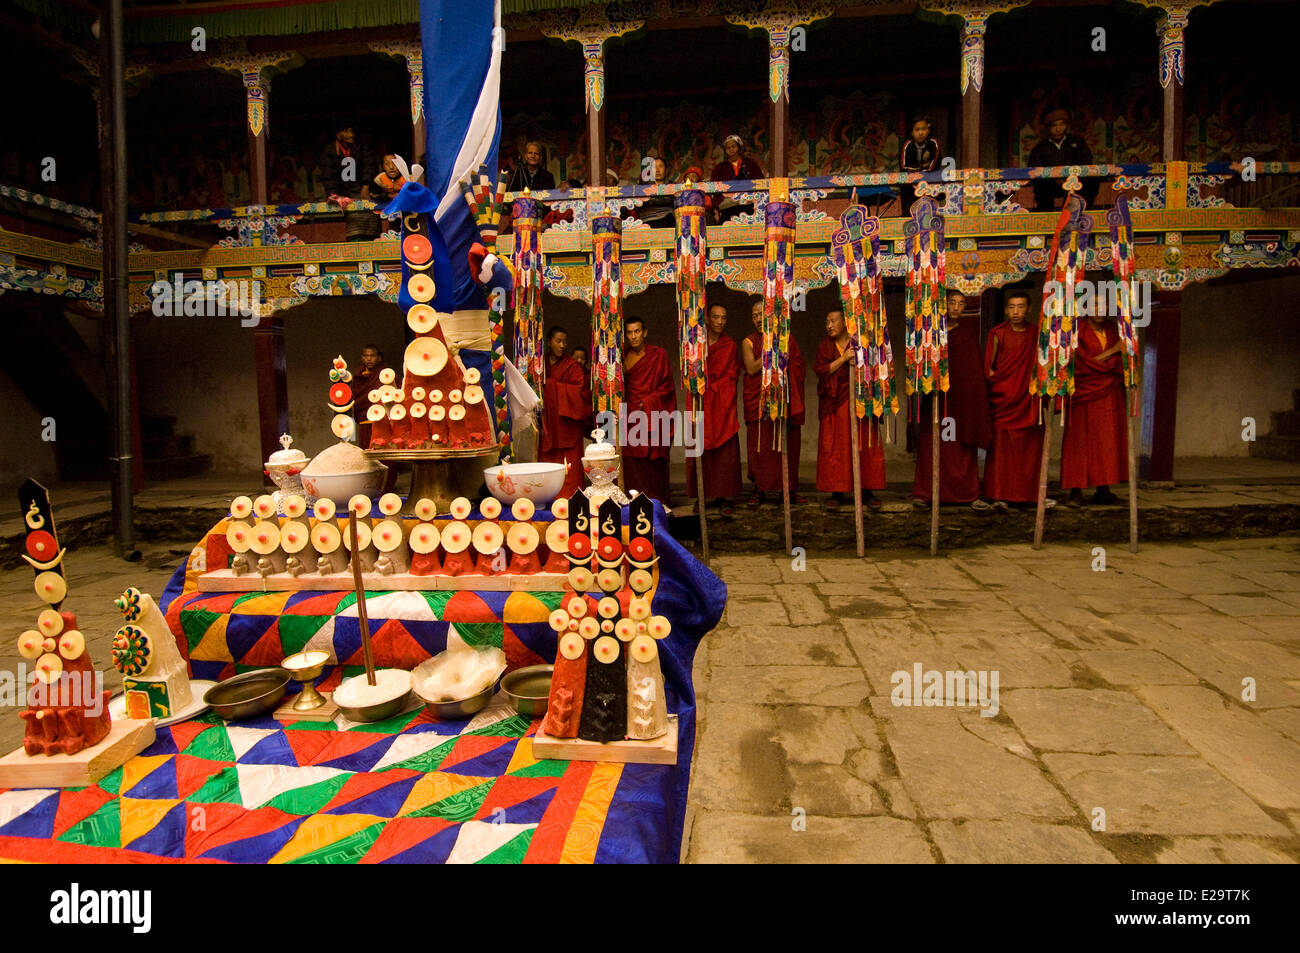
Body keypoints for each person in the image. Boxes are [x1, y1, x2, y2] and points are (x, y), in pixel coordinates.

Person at [911, 290, 993, 509]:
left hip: (961, 401)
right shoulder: (931, 332)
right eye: (952, 303)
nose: (956, 307)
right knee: (933, 445)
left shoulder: (967, 334)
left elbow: (972, 371)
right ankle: (926, 493)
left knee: (958, 446)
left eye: (961, 303)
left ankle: (966, 493)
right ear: (943, 305)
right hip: (936, 399)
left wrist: (972, 401)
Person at [984, 289, 1050, 509]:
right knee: (1002, 450)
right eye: (1011, 307)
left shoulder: (1036, 334)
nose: (1015, 312)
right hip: (1004, 400)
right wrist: (1003, 388)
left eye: (1020, 307)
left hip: (1028, 399)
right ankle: (999, 494)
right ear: (1005, 310)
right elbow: (990, 368)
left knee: (1029, 449)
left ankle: (1029, 494)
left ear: (1029, 309)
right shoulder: (997, 333)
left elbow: (1043, 364)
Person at [815, 309, 886, 510]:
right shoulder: (825, 347)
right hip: (836, 405)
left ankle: (867, 491)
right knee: (837, 447)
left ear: (845, 322)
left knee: (865, 445)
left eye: (833, 321)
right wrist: (844, 358)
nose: (829, 325)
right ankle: (837, 492)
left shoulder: (861, 342)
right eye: (826, 321)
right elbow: (821, 370)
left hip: (861, 402)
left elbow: (876, 367)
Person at [742, 296, 806, 506]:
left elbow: (798, 367)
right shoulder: (749, 341)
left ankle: (788, 488)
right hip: (759, 402)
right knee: (760, 447)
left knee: (787, 445)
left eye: (762, 314)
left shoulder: (787, 339)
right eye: (754, 316)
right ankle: (760, 489)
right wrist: (771, 355)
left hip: (783, 400)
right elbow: (751, 368)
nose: (758, 319)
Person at [1061, 314, 1128, 506]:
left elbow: (1122, 358)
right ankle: (1075, 491)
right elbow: (1079, 364)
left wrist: (1117, 355)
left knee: (1106, 441)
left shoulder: (1113, 329)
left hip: (1109, 393)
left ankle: (1103, 488)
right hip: (1083, 392)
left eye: (1103, 306)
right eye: (1094, 305)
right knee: (1078, 442)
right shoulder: (1076, 330)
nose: (1099, 310)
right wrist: (1113, 351)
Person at [685, 304, 742, 513]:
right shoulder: (695, 345)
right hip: (699, 402)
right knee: (699, 447)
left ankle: (724, 497)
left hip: (721, 403)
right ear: (707, 319)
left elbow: (732, 375)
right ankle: (702, 496)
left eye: (724, 318)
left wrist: (713, 389)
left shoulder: (730, 345)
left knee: (724, 453)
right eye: (716, 317)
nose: (720, 322)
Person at [622, 316, 677, 505]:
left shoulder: (658, 355)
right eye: (629, 332)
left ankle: (657, 501)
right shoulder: (622, 356)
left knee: (653, 461)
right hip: (629, 415)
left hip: (652, 414)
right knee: (632, 461)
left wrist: (647, 402)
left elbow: (667, 387)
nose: (634, 336)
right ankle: (633, 501)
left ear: (644, 333)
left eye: (637, 331)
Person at [539, 326, 591, 498]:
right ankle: (548, 498)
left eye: (564, 342)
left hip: (567, 426)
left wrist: (552, 388)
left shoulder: (572, 366)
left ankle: (572, 497)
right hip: (548, 424)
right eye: (558, 341)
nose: (562, 345)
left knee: (570, 469)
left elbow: (581, 393)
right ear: (549, 342)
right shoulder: (541, 364)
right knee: (548, 466)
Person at [1027, 109, 1099, 211]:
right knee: (1041, 187)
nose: (1058, 129)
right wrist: (1054, 177)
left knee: (1092, 181)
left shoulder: (1077, 142)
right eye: (1054, 126)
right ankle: (1046, 216)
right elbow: (1034, 167)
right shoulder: (1041, 147)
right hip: (1051, 183)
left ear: (1066, 126)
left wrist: (1071, 176)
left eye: (1061, 125)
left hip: (1075, 180)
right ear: (1049, 128)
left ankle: (1082, 211)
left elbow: (1086, 161)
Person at [319, 124, 379, 241]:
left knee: (370, 222)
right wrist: (334, 195)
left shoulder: (361, 147)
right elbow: (328, 175)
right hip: (344, 193)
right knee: (354, 228)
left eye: (351, 131)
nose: (351, 135)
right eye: (346, 131)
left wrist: (366, 185)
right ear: (338, 135)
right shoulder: (330, 151)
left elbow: (369, 166)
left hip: (363, 190)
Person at [709, 134, 765, 223]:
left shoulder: (751, 163)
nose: (731, 150)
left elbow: (761, 182)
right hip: (727, 203)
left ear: (739, 148)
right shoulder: (719, 168)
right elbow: (713, 188)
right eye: (728, 148)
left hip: (749, 201)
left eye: (733, 146)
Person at [899, 117, 942, 216]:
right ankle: (907, 217)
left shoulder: (933, 144)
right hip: (910, 184)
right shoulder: (908, 145)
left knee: (930, 210)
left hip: (930, 181)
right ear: (912, 132)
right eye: (917, 130)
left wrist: (920, 168)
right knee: (909, 208)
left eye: (923, 129)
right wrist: (922, 167)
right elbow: (904, 166)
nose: (921, 133)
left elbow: (934, 165)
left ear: (928, 130)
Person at [353, 344, 389, 444]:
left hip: (381, 421)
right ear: (362, 358)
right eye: (366, 356)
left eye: (372, 356)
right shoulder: (358, 377)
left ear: (379, 358)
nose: (369, 359)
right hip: (364, 421)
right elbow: (355, 399)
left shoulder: (385, 375)